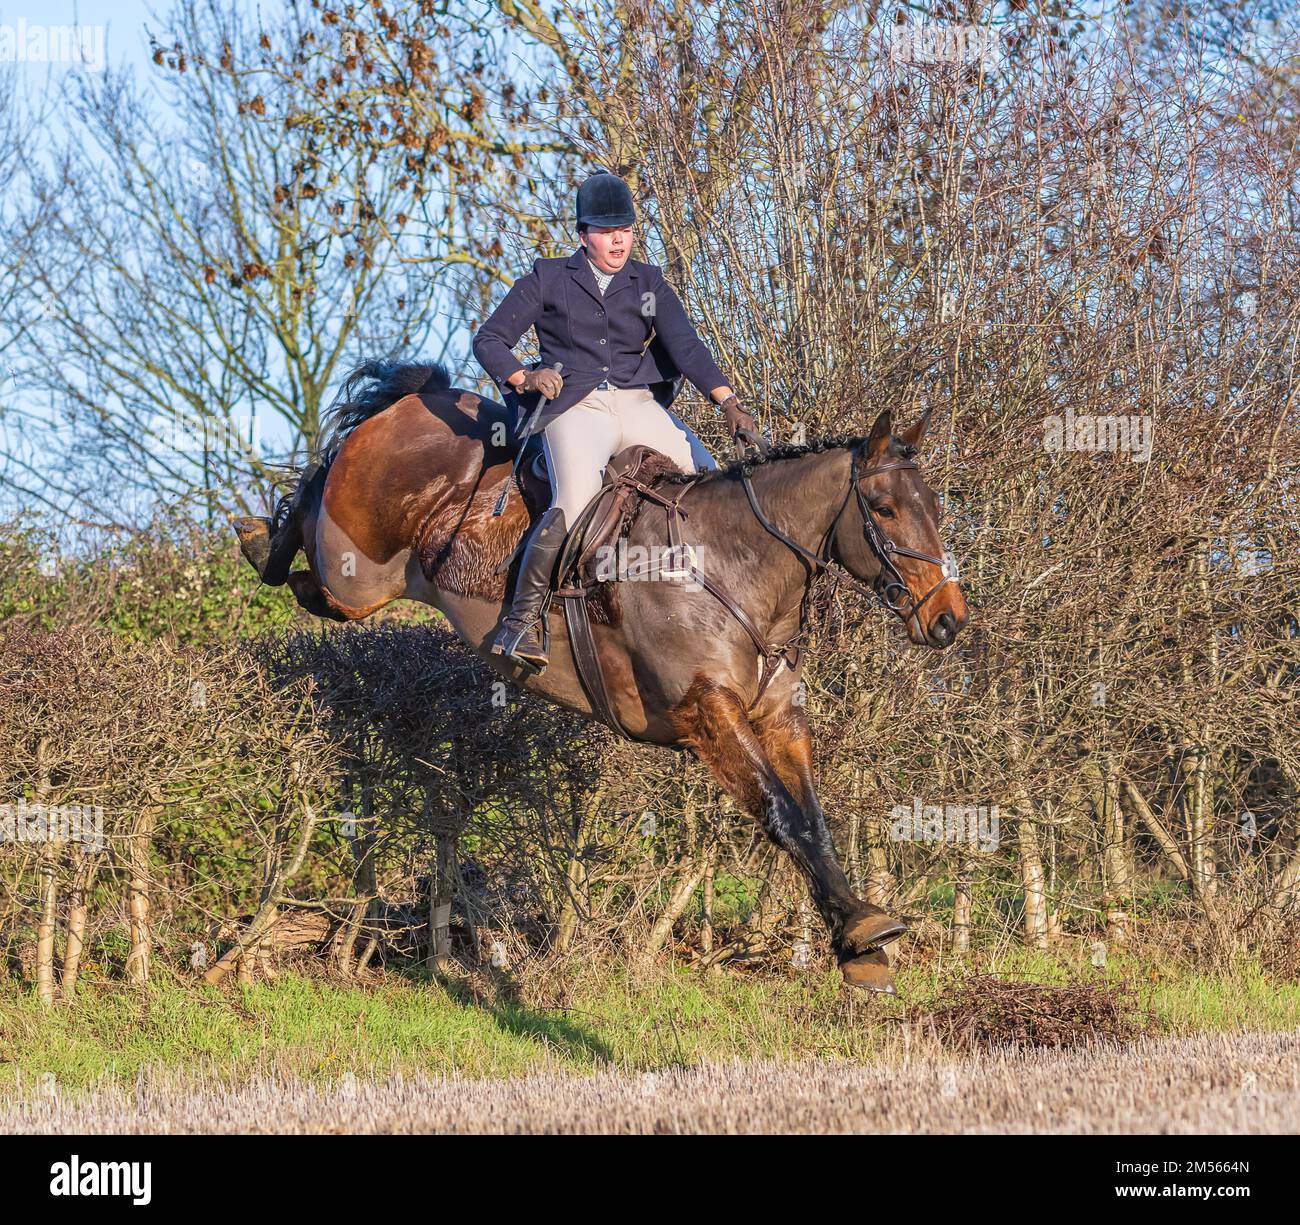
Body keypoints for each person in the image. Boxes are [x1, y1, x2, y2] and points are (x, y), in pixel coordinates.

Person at [472, 170, 766, 670]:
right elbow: (489, 340)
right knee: (575, 498)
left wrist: (728, 402)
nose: (620, 240)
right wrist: (526, 376)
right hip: (576, 406)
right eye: (609, 232)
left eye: (626, 230)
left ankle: (715, 610)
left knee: (705, 481)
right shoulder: (549, 278)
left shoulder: (647, 282)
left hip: (636, 402)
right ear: (583, 235)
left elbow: (686, 346)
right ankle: (521, 622)